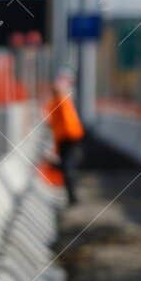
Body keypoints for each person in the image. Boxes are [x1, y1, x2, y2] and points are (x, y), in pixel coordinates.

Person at [46, 73, 86, 205]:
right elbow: (58, 123)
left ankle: (72, 197)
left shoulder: (58, 103)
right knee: (69, 167)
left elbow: (54, 123)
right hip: (69, 138)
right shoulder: (62, 102)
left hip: (67, 138)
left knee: (68, 167)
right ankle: (72, 196)